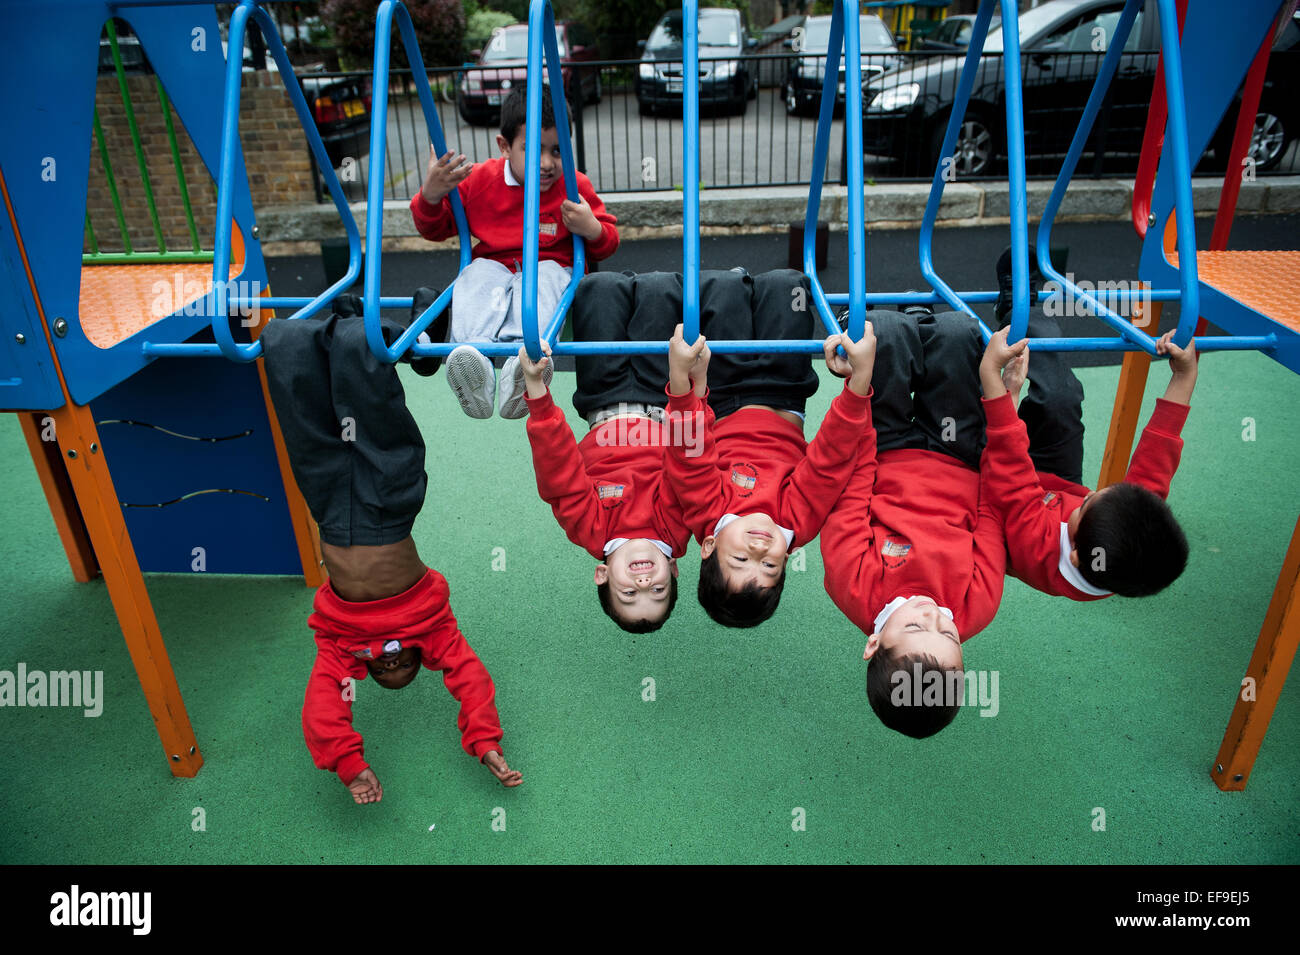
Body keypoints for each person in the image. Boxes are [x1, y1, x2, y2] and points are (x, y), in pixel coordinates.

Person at [259, 302, 523, 804]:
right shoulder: (433, 631)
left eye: (386, 670)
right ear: (421, 657)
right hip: (389, 501)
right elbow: (470, 679)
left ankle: (318, 328)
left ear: (367, 668)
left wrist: (348, 763)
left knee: (293, 375)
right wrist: (485, 740)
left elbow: (323, 706)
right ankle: (376, 326)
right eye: (406, 666)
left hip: (330, 504)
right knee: (369, 401)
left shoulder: (341, 646)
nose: (394, 660)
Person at [820, 309, 1007, 739]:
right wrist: (999, 415)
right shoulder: (977, 606)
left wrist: (862, 400)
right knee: (959, 332)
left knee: (885, 332)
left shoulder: (851, 587)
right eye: (950, 635)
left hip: (883, 448)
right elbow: (991, 514)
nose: (933, 615)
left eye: (916, 627)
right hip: (958, 455)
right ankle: (928, 327)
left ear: (873, 644)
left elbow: (850, 498)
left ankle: (905, 327)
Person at [662, 269, 876, 628]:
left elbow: (689, 455)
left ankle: (737, 282)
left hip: (725, 390)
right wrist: (858, 385)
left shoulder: (706, 514)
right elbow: (830, 458)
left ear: (710, 547)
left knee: (720, 288)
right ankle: (757, 288)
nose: (758, 551)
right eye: (768, 565)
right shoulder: (798, 521)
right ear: (785, 560)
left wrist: (683, 384)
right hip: (783, 388)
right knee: (787, 284)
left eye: (741, 560)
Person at [410, 83, 619, 419]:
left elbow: (608, 240)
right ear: (505, 146)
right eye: (534, 149)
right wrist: (431, 196)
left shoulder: (575, 186)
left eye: (557, 150)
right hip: (493, 264)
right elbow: (433, 229)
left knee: (546, 279)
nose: (549, 163)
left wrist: (591, 228)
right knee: (475, 275)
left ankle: (522, 362)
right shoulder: (479, 181)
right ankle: (471, 355)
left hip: (549, 264)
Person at [515, 271, 695, 633]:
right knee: (661, 289)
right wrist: (685, 387)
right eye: (658, 591)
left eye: (628, 594)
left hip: (603, 399)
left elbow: (559, 471)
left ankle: (589, 253)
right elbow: (687, 461)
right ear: (673, 569)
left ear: (603, 574)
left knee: (597, 289)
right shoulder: (678, 530)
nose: (643, 585)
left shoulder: (591, 531)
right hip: (661, 395)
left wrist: (537, 391)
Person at [980, 320, 1194, 599]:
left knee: (979, 413)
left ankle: (945, 335)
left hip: (1003, 499)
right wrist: (1184, 375)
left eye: (1085, 504)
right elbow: (1156, 459)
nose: (1090, 492)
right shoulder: (1129, 529)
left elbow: (1011, 471)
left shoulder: (1038, 546)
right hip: (1052, 486)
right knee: (1060, 398)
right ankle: (1022, 313)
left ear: (1075, 556)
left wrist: (1004, 388)